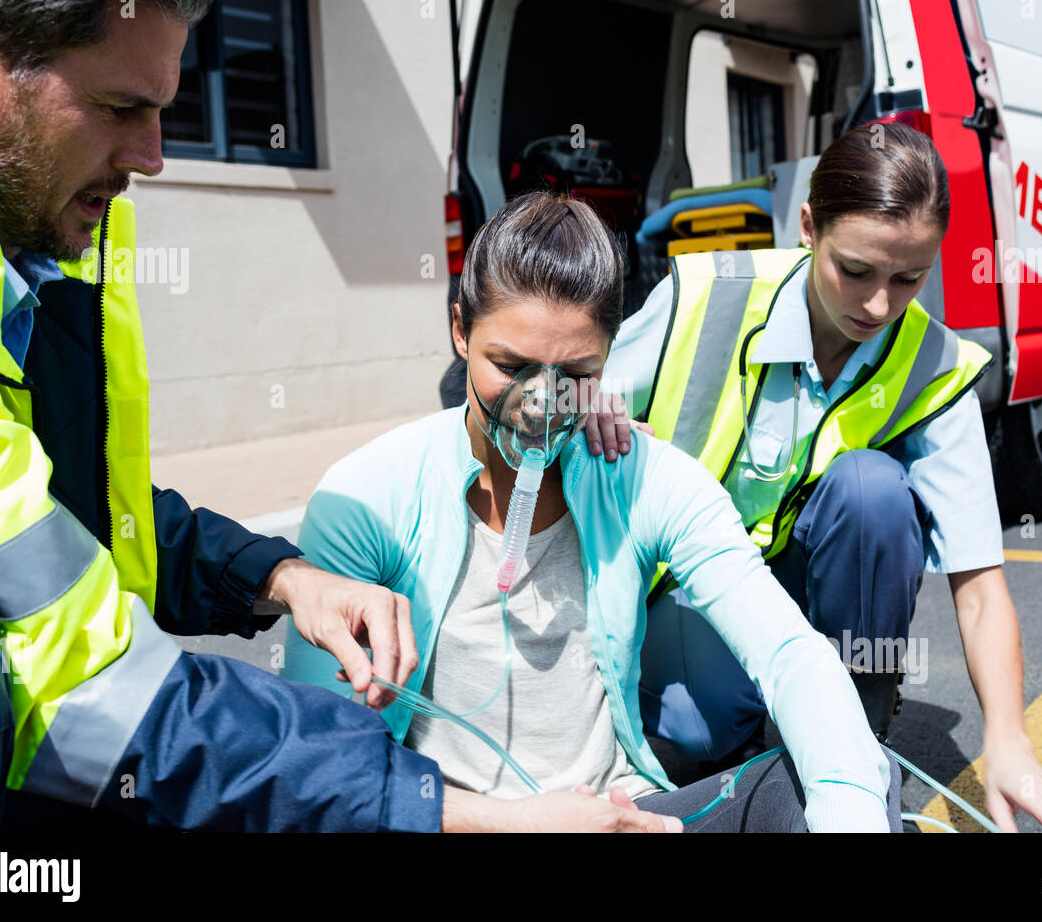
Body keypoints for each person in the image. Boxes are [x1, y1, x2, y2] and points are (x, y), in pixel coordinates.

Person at [0, 0, 674, 834]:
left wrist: (282, 576)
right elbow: (93, 682)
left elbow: (84, 524)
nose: (153, 156)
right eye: (122, 106)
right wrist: (463, 814)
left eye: (166, 109)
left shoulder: (47, 228)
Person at [282, 190, 904, 832]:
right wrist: (512, 823)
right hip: (448, 820)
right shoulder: (368, 496)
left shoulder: (640, 478)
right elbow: (318, 763)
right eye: (511, 365)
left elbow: (788, 652)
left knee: (856, 778)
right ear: (460, 330)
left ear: (609, 357)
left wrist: (845, 806)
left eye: (574, 372)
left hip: (619, 817)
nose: (540, 403)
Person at [583, 122, 1042, 832]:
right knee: (694, 742)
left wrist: (1009, 741)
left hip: (806, 624)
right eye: (855, 270)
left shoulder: (936, 365)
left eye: (909, 278)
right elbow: (559, 404)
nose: (879, 306)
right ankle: (746, 746)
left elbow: (978, 585)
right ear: (809, 227)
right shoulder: (705, 298)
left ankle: (849, 746)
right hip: (684, 612)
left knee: (872, 491)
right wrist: (584, 407)